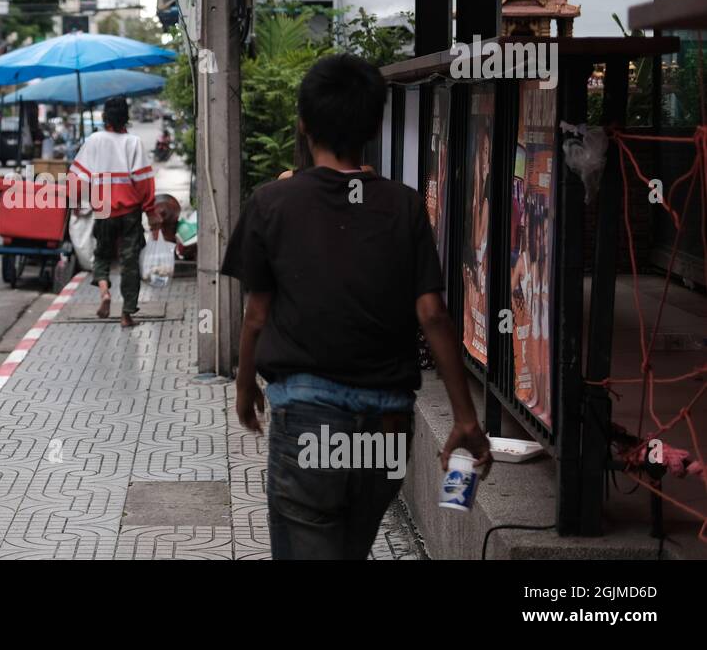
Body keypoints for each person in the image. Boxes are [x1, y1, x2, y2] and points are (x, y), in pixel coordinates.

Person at [221, 53, 491, 560]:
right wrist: (465, 418)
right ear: (374, 125)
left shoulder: (271, 203)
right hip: (387, 422)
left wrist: (244, 388)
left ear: (303, 124)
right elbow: (432, 314)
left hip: (307, 418)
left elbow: (256, 313)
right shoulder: (405, 205)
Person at [70, 97, 159, 327]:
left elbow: (78, 176)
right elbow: (144, 181)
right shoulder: (133, 142)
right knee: (130, 262)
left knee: (102, 255)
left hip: (104, 209)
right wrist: (150, 211)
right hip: (130, 211)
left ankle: (104, 292)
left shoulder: (93, 141)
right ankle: (127, 314)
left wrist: (77, 201)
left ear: (105, 117)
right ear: (126, 117)